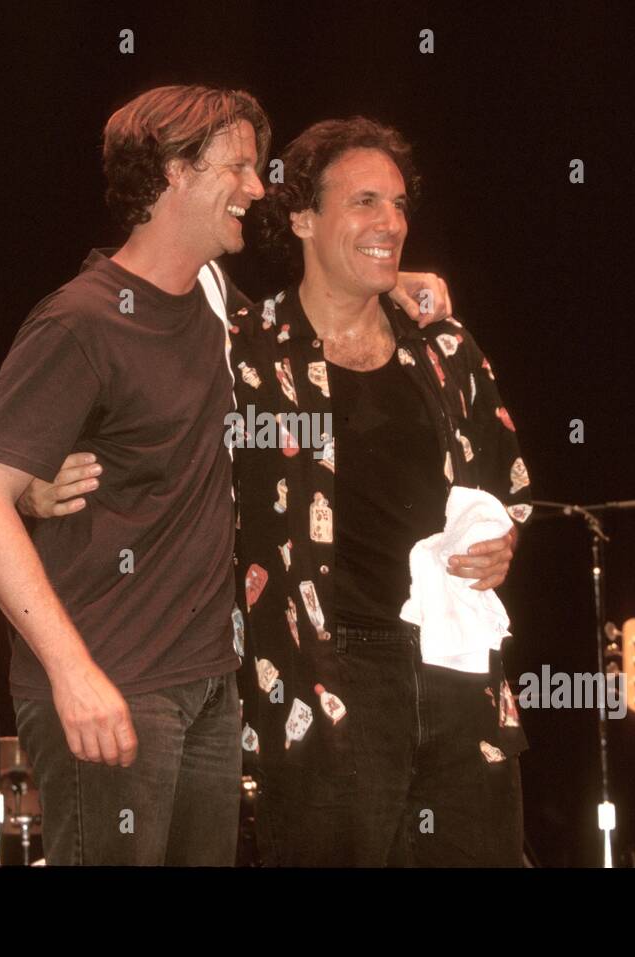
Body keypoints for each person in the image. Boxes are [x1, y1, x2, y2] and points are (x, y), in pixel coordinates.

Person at [0, 85, 451, 865]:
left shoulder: (218, 302)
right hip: (113, 680)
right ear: (173, 173)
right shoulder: (81, 321)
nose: (258, 189)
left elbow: (310, 318)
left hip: (210, 688)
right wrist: (71, 671)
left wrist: (391, 279)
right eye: (240, 168)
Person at [227, 118, 533, 866]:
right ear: (301, 216)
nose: (391, 223)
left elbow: (506, 484)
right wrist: (47, 483)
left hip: (458, 677)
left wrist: (503, 544)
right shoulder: (245, 353)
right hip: (324, 683)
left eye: (398, 205)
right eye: (365, 202)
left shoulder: (445, 349)